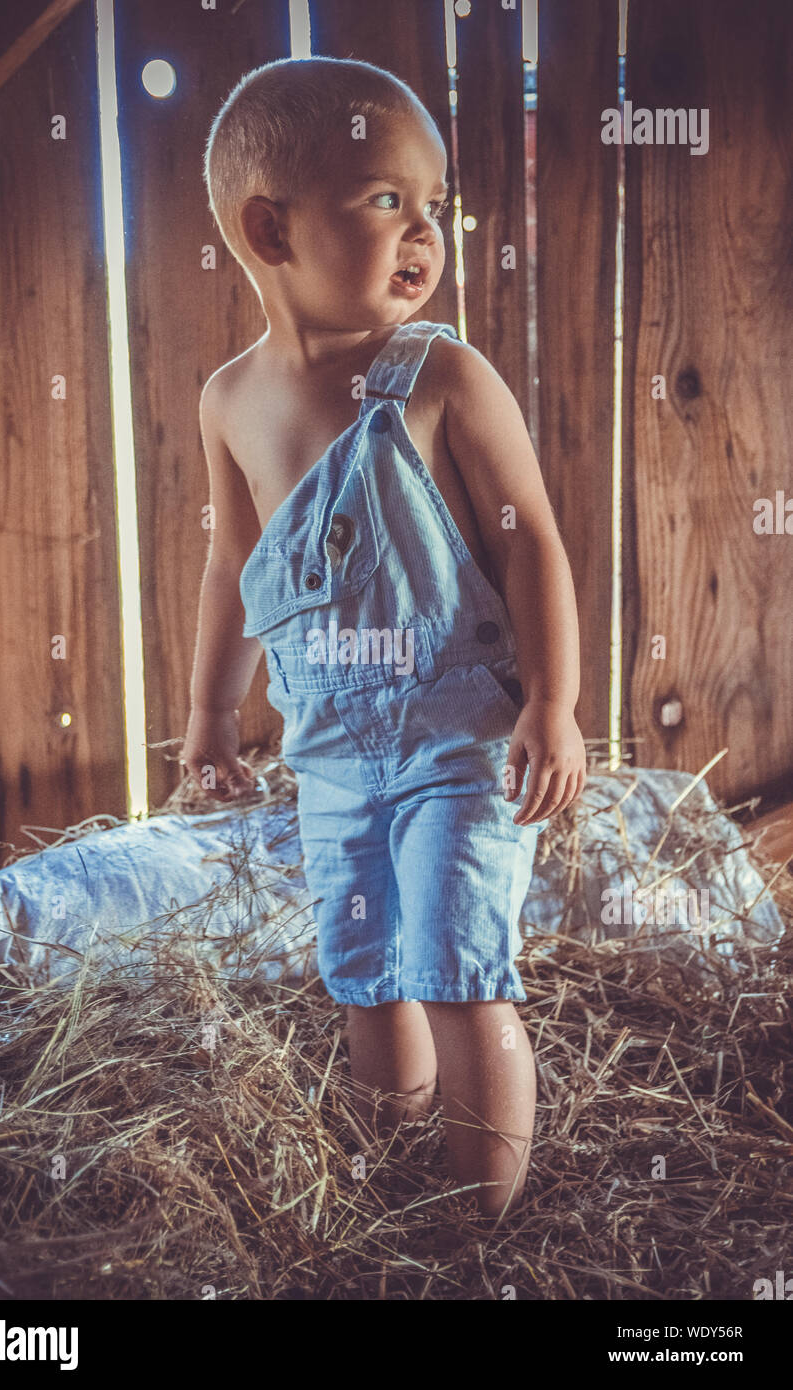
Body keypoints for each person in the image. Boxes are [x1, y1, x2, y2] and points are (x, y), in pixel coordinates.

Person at [182, 56, 586, 1222]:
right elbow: (232, 563)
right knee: (363, 970)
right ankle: (389, 1183)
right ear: (269, 227)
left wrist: (549, 707)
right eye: (384, 199)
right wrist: (210, 711)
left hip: (458, 738)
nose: (425, 230)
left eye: (434, 206)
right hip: (329, 754)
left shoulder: (439, 375)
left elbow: (532, 545)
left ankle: (474, 1226)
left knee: (453, 970)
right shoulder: (228, 401)